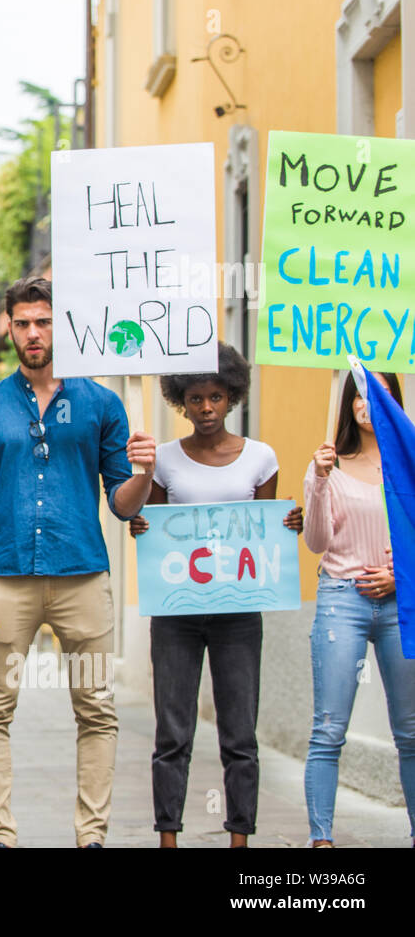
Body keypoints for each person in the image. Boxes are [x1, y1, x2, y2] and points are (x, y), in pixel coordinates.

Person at [0, 276, 156, 848]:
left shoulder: (102, 404)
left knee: (96, 708)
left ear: (60, 325)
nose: (33, 332)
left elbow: (121, 505)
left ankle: (91, 836)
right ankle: (1, 837)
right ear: (11, 328)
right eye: (23, 323)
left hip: (83, 581)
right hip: (4, 586)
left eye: (43, 321)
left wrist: (143, 473)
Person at [129, 343, 302, 848]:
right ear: (181, 400)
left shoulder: (261, 458)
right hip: (177, 615)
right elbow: (155, 529)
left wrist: (289, 524)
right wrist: (143, 525)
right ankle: (168, 836)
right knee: (172, 732)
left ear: (233, 398)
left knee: (239, 735)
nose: (206, 408)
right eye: (197, 398)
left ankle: (240, 838)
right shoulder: (161, 460)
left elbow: (264, 532)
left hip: (239, 614)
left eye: (217, 397)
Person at [303, 370, 415, 847]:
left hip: (400, 602)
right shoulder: (330, 464)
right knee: (329, 730)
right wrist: (320, 481)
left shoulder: (409, 465)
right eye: (362, 395)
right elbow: (316, 541)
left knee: (411, 732)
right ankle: (321, 839)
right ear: (349, 404)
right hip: (340, 600)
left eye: (383, 394)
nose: (371, 403)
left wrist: (402, 575)